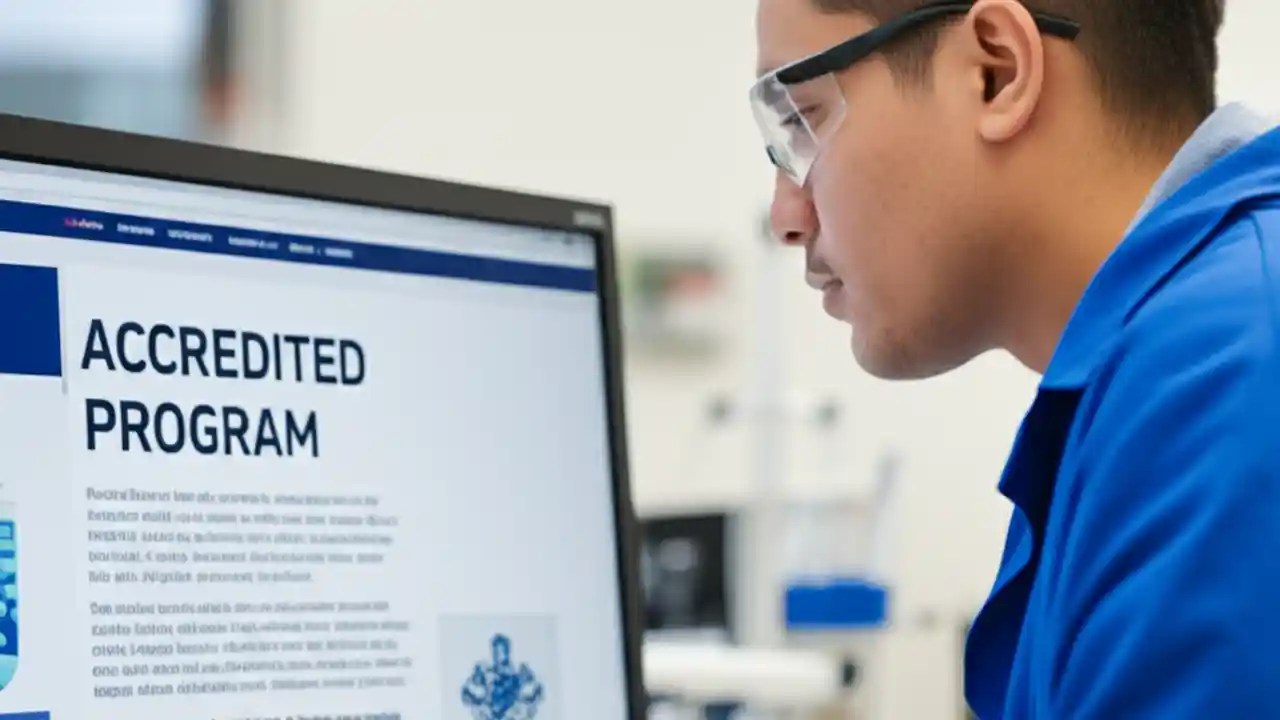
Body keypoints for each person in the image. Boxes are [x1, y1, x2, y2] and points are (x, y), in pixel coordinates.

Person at [751, 0, 1280, 716]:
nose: (787, 215)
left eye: (804, 120)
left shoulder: (1227, 373)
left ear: (995, 72)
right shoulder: (1175, 358)